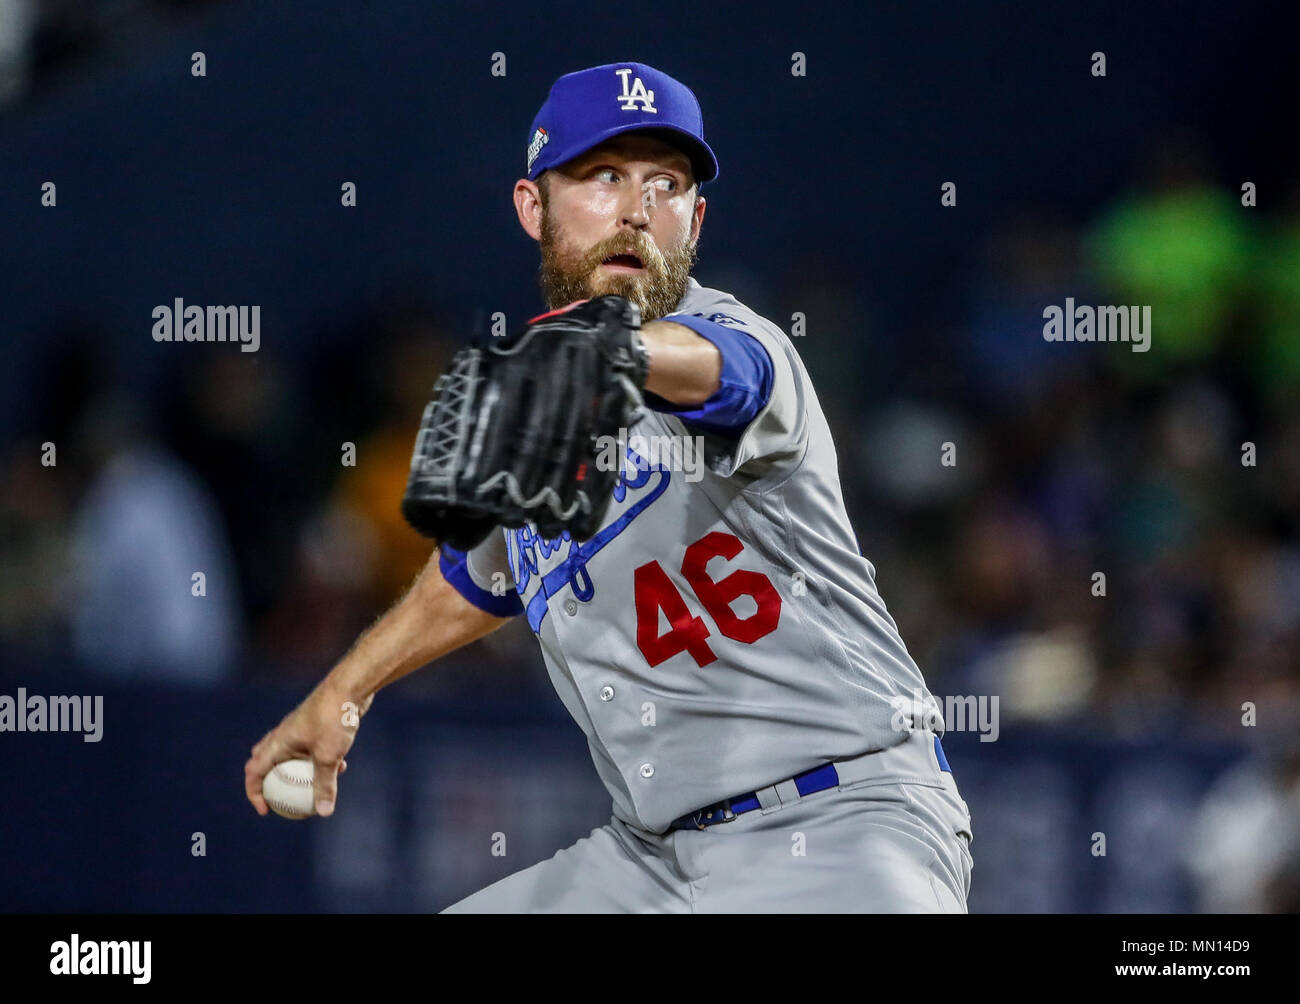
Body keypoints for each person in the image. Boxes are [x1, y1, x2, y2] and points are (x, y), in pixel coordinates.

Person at [245, 61, 973, 913]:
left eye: (666, 184)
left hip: (845, 821)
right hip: (652, 860)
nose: (636, 209)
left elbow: (727, 378)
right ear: (533, 206)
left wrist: (608, 353)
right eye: (602, 175)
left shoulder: (740, 343)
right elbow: (473, 577)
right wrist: (342, 691)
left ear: (694, 221)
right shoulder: (539, 416)